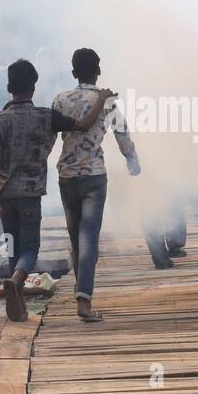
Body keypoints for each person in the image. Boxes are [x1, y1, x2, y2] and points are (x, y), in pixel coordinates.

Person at [0, 59, 111, 322]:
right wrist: (101, 99)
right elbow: (84, 124)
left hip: (4, 194)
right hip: (30, 194)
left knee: (11, 245)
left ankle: (16, 301)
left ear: (9, 87)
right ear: (33, 87)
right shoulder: (45, 116)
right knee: (30, 248)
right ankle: (17, 279)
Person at [52, 48, 142, 321]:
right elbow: (122, 133)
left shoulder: (60, 99)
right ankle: (84, 301)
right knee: (88, 237)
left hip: (66, 176)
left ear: (73, 73)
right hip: (93, 177)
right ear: (98, 70)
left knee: (75, 239)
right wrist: (132, 159)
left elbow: (49, 136)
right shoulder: (107, 102)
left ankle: (83, 291)